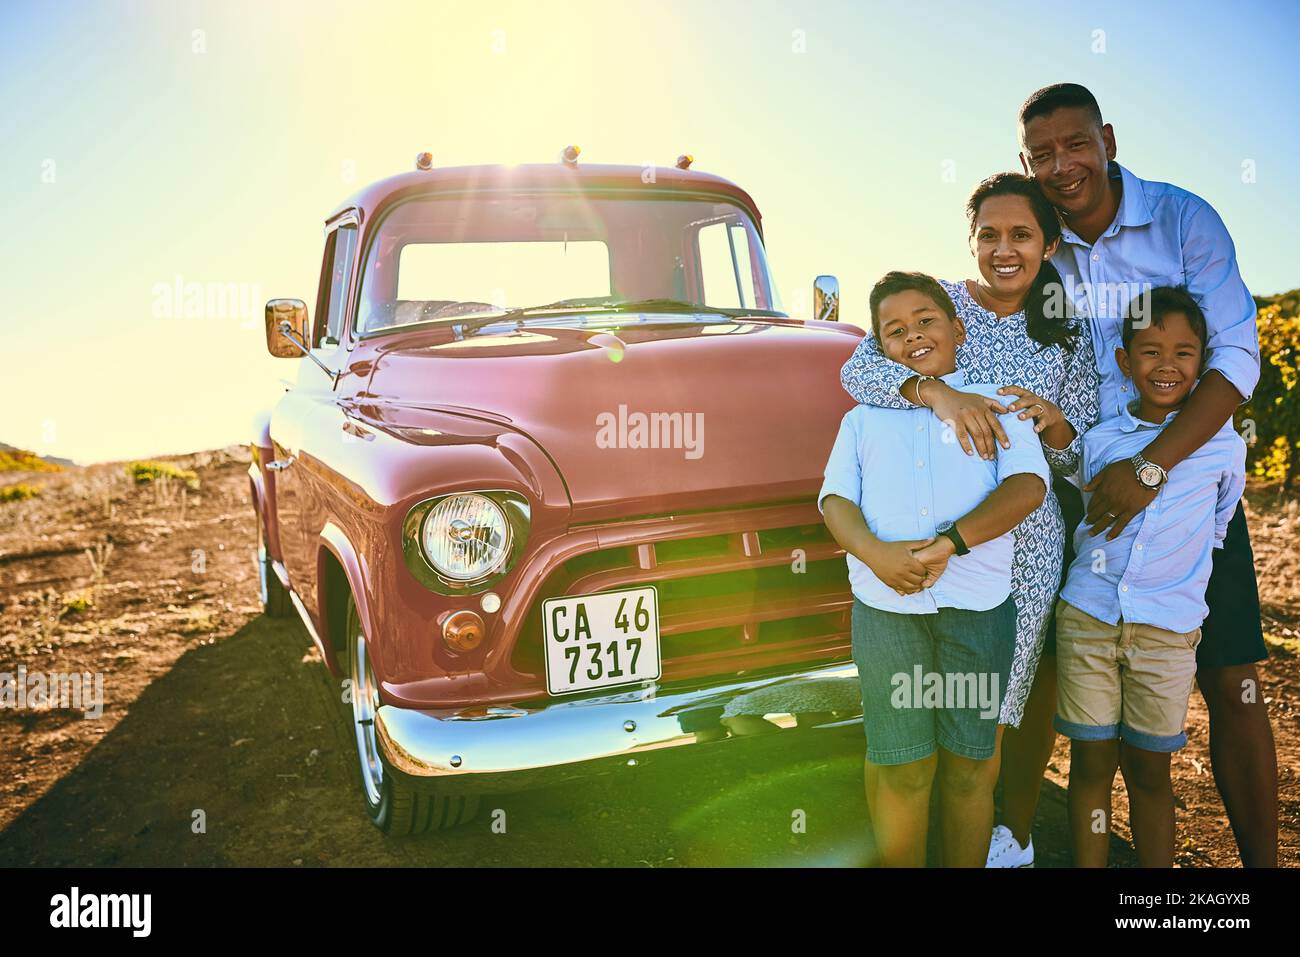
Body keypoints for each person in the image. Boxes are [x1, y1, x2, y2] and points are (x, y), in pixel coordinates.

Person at [839, 174, 1100, 867]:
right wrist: (941, 395)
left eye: (1022, 235)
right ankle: (911, 829)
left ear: (1048, 243)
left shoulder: (1068, 331)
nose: (1004, 249)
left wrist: (1057, 425)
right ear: (972, 239)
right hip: (918, 528)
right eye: (990, 234)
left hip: (1025, 533)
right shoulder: (937, 305)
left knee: (995, 702)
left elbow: (1084, 453)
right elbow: (858, 375)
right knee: (912, 699)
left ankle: (1002, 835)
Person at [820, 271, 1049, 867]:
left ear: (958, 328)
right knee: (906, 764)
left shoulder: (999, 402)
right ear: (880, 347)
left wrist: (950, 543)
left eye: (926, 320)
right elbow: (835, 502)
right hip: (888, 611)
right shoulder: (863, 420)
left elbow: (1026, 487)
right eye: (894, 331)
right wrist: (875, 553)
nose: (914, 336)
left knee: (972, 763)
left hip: (978, 610)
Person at [1056, 287, 1247, 866]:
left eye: (1184, 353)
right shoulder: (1101, 440)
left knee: (1150, 769)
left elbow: (1215, 530)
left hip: (1167, 632)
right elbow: (1083, 504)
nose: (1166, 365)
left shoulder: (1223, 448)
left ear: (1203, 363)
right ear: (1124, 361)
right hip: (1089, 619)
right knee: (1090, 765)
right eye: (1150, 351)